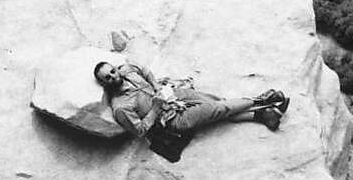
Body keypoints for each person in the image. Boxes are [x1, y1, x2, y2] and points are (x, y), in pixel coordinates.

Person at [94, 61, 288, 159]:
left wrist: (156, 86)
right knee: (219, 108)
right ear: (104, 84)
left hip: (174, 95)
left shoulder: (126, 70)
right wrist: (155, 108)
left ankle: (263, 116)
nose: (113, 76)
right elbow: (140, 131)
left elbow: (143, 70)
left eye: (112, 71)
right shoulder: (120, 107)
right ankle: (262, 100)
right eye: (107, 78)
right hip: (172, 119)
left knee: (217, 103)